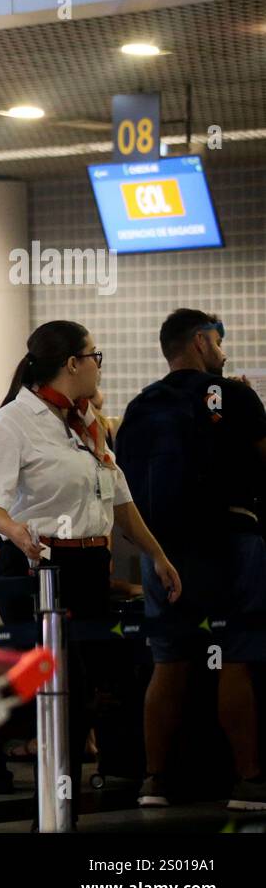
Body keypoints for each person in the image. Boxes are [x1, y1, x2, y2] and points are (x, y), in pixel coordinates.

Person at [0, 319, 182, 820]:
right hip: (38, 567)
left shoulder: (84, 424)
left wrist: (157, 554)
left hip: (89, 565)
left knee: (85, 691)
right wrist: (17, 531)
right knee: (60, 691)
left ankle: (62, 800)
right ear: (72, 363)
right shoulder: (11, 422)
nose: (97, 366)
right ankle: (49, 800)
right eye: (95, 356)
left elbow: (119, 499)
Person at [116, 309, 265, 811]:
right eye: (219, 341)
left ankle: (154, 781)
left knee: (170, 659)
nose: (224, 351)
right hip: (232, 541)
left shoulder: (140, 405)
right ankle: (247, 781)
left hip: (163, 552)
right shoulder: (235, 395)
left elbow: (125, 486)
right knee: (235, 656)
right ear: (201, 342)